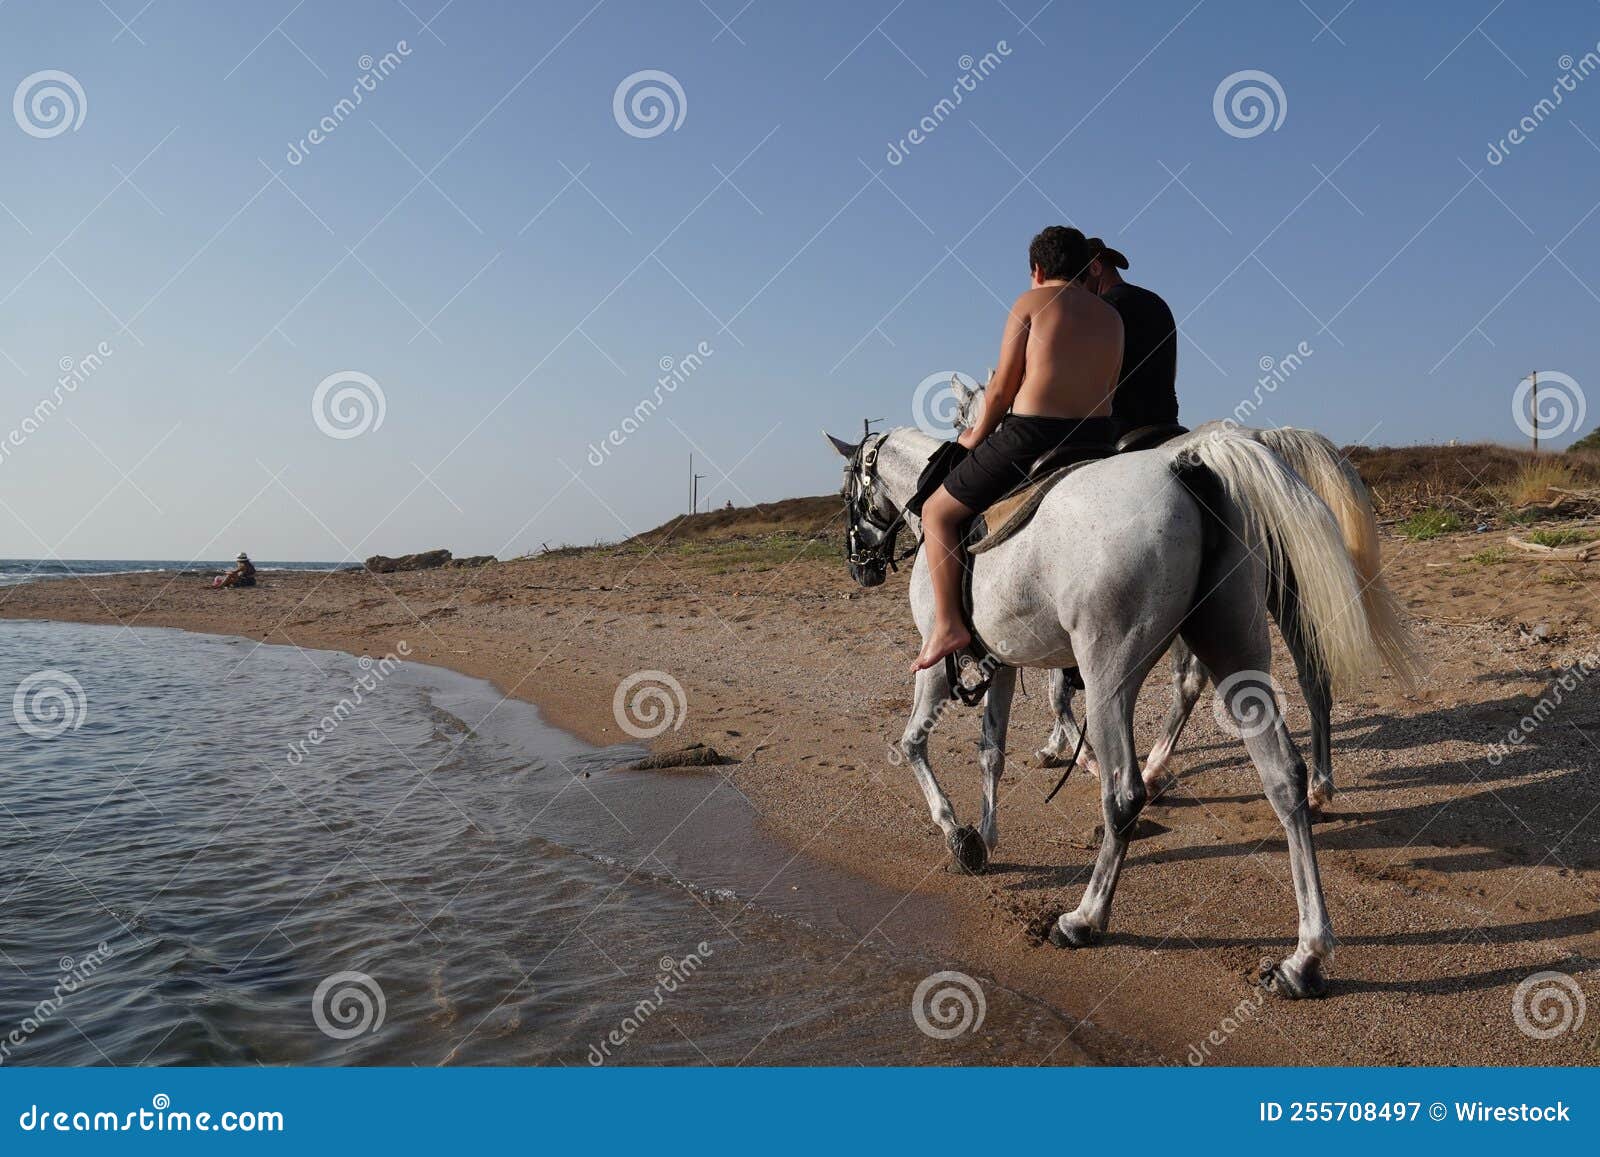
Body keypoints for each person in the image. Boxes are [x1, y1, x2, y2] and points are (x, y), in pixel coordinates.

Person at [911, 226, 1123, 673]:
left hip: (1033, 438)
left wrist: (974, 435)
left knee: (936, 512)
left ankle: (948, 624)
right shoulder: (1111, 316)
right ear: (1087, 268)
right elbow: (1109, 387)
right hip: (1100, 441)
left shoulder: (1031, 302)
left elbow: (1003, 387)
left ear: (1038, 269)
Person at [1083, 237, 1179, 438]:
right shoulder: (1156, 302)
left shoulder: (1101, 309)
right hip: (1167, 421)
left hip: (1119, 425)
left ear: (1095, 267)